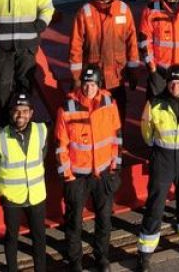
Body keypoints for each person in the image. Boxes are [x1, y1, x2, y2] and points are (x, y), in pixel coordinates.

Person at [137, 64, 179, 269]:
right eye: (172, 82)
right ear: (167, 83)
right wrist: (160, 146)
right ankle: (145, 251)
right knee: (156, 202)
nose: (176, 86)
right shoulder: (154, 103)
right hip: (162, 157)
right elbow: (146, 131)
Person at [57, 64, 122, 272]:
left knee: (104, 219)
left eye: (93, 84)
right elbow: (61, 147)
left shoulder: (109, 104)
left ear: (99, 84)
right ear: (81, 84)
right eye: (86, 84)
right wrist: (68, 177)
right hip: (77, 176)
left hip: (103, 174)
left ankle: (101, 257)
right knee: (74, 221)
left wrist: (114, 169)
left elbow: (117, 138)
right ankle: (75, 260)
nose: (89, 88)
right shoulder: (67, 108)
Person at [68, 0, 141, 111]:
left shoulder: (123, 10)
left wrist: (134, 73)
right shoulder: (85, 12)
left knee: (118, 112)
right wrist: (76, 78)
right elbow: (75, 46)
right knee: (94, 113)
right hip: (93, 79)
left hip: (116, 77)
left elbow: (131, 43)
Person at [0, 91, 49, 272]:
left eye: (24, 111)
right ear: (11, 113)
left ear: (31, 113)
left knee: (39, 238)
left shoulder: (42, 131)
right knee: (11, 238)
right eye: (17, 111)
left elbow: (42, 154)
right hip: (12, 198)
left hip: (36, 195)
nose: (20, 115)